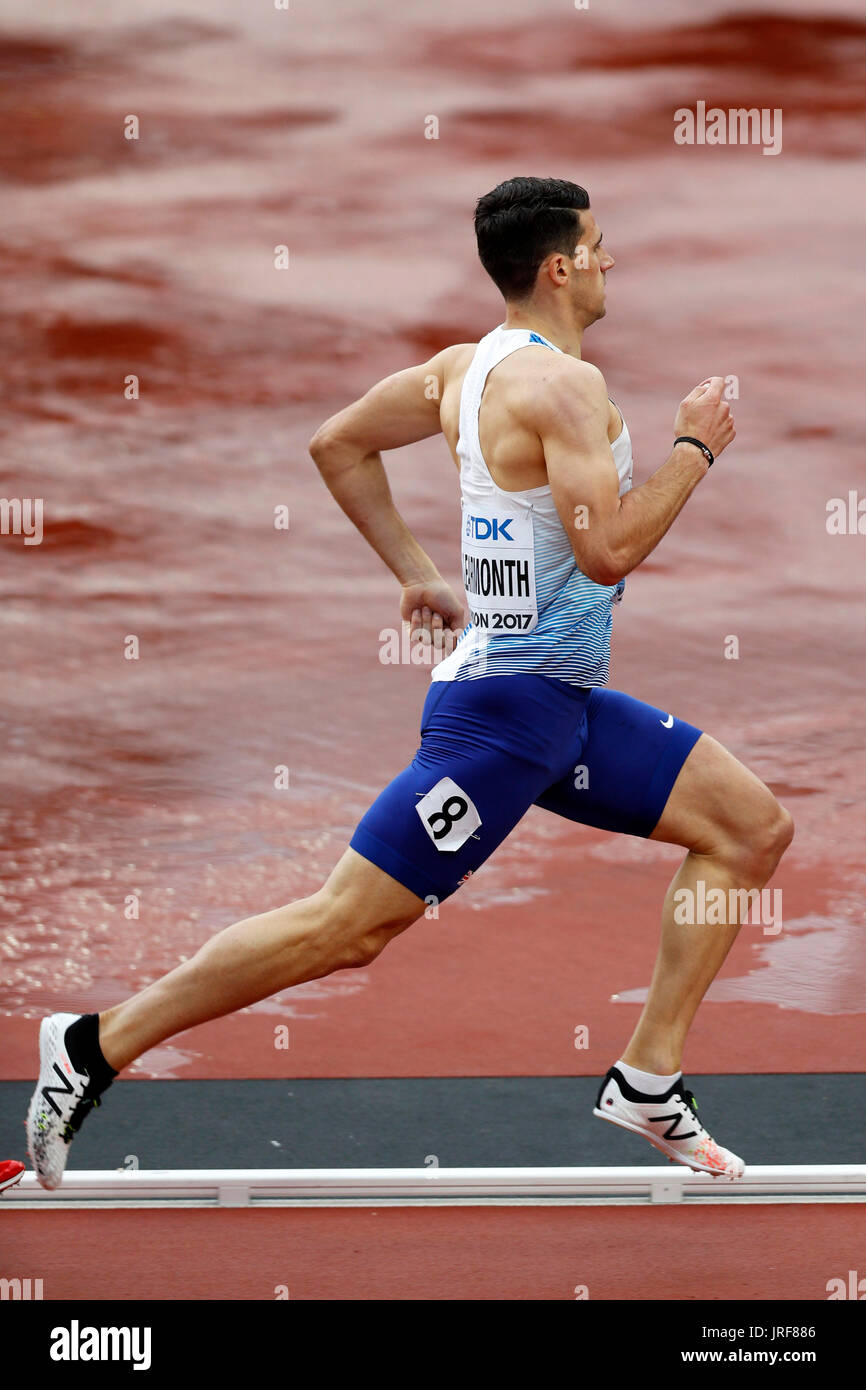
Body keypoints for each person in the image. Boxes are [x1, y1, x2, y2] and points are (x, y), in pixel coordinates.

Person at [26, 176, 793, 1189]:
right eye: (599, 246)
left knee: (748, 829)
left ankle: (646, 1075)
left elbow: (334, 443)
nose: (611, 262)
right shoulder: (567, 388)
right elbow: (605, 552)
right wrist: (694, 448)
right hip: (501, 723)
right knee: (348, 928)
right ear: (558, 266)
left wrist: (415, 574)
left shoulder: (460, 370)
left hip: (554, 710)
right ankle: (92, 1046)